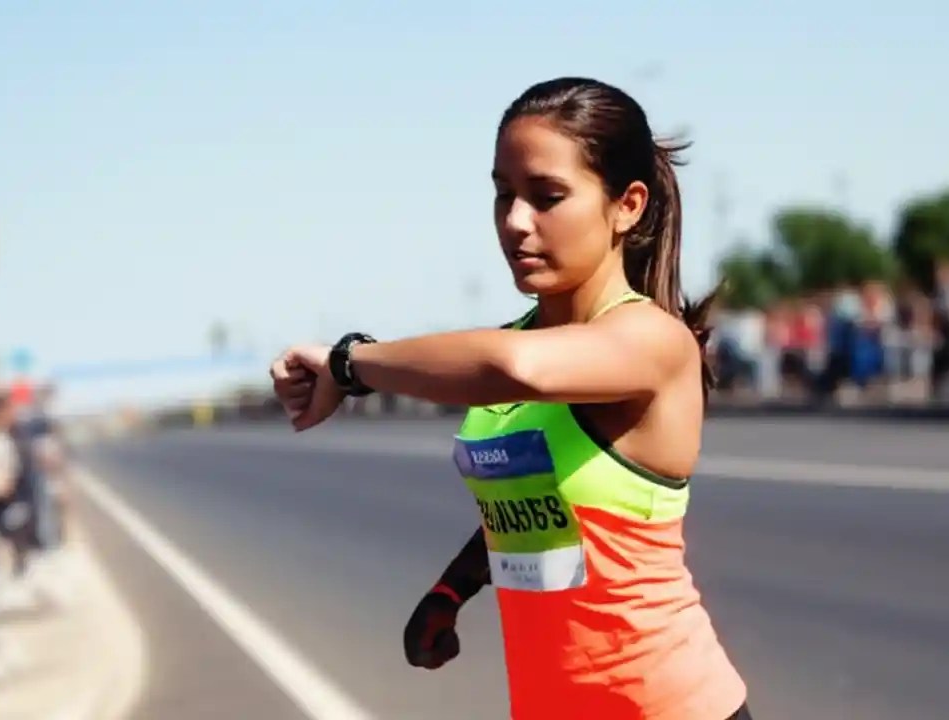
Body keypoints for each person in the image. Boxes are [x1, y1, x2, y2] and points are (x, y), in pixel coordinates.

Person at [270, 77, 750, 719]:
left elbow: (515, 370)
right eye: (503, 195)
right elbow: (535, 498)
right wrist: (452, 588)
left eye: (547, 197)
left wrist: (348, 363)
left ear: (627, 206)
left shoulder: (649, 341)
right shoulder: (520, 344)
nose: (515, 223)